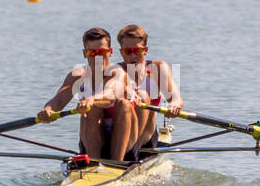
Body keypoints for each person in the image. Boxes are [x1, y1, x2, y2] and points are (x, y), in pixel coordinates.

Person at [104, 24, 183, 164]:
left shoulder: (158, 68)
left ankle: (126, 157)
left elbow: (176, 98)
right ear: (121, 52)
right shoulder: (114, 71)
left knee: (143, 95)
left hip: (145, 139)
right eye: (128, 51)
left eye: (137, 50)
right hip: (117, 134)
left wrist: (175, 105)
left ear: (145, 50)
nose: (133, 56)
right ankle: (118, 159)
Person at [36, 27, 119, 160]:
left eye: (102, 52)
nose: (97, 57)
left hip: (121, 142)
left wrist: (91, 99)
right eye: (93, 53)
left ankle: (115, 162)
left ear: (110, 52)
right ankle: (93, 165)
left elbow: (110, 94)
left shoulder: (118, 73)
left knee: (96, 106)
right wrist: (48, 110)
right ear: (84, 53)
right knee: (91, 111)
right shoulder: (78, 75)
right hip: (92, 139)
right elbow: (59, 100)